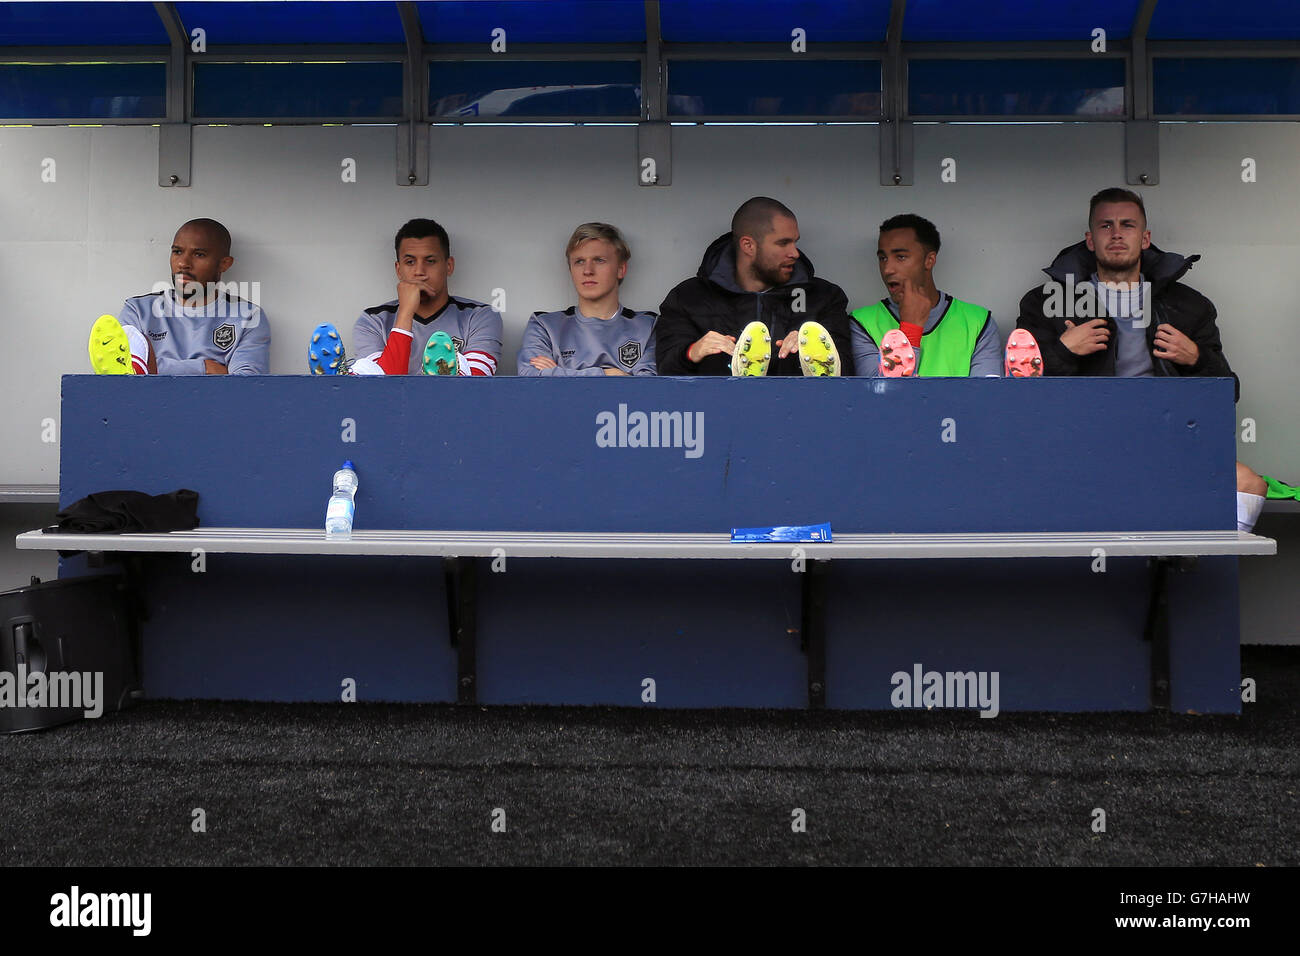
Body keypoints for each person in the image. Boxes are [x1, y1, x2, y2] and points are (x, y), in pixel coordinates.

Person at [1014, 188, 1270, 529]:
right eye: (1105, 226)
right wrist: (1063, 351)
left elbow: (1227, 395)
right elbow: (1016, 390)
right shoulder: (1044, 302)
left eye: (1128, 225)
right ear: (1090, 240)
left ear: (1145, 238)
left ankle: (1196, 569)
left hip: (1163, 442)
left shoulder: (1189, 306)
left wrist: (1194, 357)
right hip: (1076, 446)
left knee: (1248, 484)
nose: (1117, 233)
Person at [655, 197, 855, 377]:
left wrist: (815, 353)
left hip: (801, 413)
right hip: (719, 414)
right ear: (748, 245)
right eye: (783, 243)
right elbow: (663, 374)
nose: (795, 253)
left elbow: (848, 375)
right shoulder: (688, 298)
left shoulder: (823, 297)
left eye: (795, 242)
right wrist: (692, 353)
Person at [312, 218, 502, 376]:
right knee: (370, 374)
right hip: (386, 415)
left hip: (454, 411)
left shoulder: (480, 315)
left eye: (430, 261)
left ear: (448, 266)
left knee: (466, 374)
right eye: (410, 262)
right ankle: (337, 378)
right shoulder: (372, 320)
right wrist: (406, 312)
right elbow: (383, 387)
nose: (420, 271)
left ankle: (446, 374)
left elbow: (479, 383)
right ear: (398, 269)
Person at [90, 218, 270, 375]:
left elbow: (246, 386)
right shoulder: (138, 310)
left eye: (199, 254)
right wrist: (205, 367)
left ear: (224, 264)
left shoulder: (247, 316)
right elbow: (121, 368)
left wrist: (155, 366)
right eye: (177, 252)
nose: (183, 263)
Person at [850, 214, 1010, 377]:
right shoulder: (862, 323)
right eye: (882, 258)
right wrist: (910, 331)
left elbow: (984, 397)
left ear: (929, 260)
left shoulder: (978, 322)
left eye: (901, 257)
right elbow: (876, 397)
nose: (887, 269)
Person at [517, 223, 656, 376]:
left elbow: (646, 388)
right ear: (571, 270)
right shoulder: (545, 325)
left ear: (621, 269)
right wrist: (610, 374)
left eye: (599, 260)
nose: (588, 271)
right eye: (579, 261)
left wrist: (558, 374)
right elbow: (530, 377)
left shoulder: (647, 326)